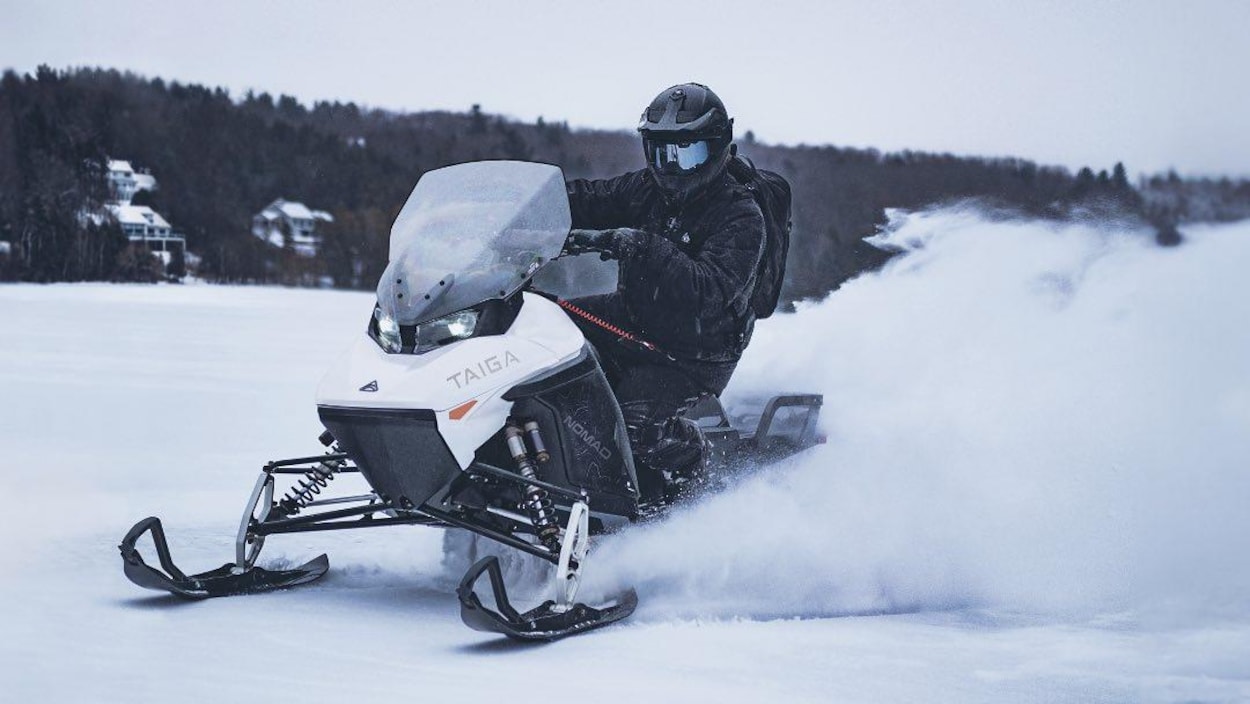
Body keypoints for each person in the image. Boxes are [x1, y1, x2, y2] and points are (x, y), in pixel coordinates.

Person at [562, 82, 766, 507]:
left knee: (634, 429)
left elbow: (708, 290)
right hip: (628, 319)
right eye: (660, 152)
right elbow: (589, 200)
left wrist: (639, 244)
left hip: (692, 354)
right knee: (534, 326)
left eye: (686, 153)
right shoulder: (646, 189)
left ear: (718, 149)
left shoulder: (740, 216)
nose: (671, 168)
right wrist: (524, 207)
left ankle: (697, 470)